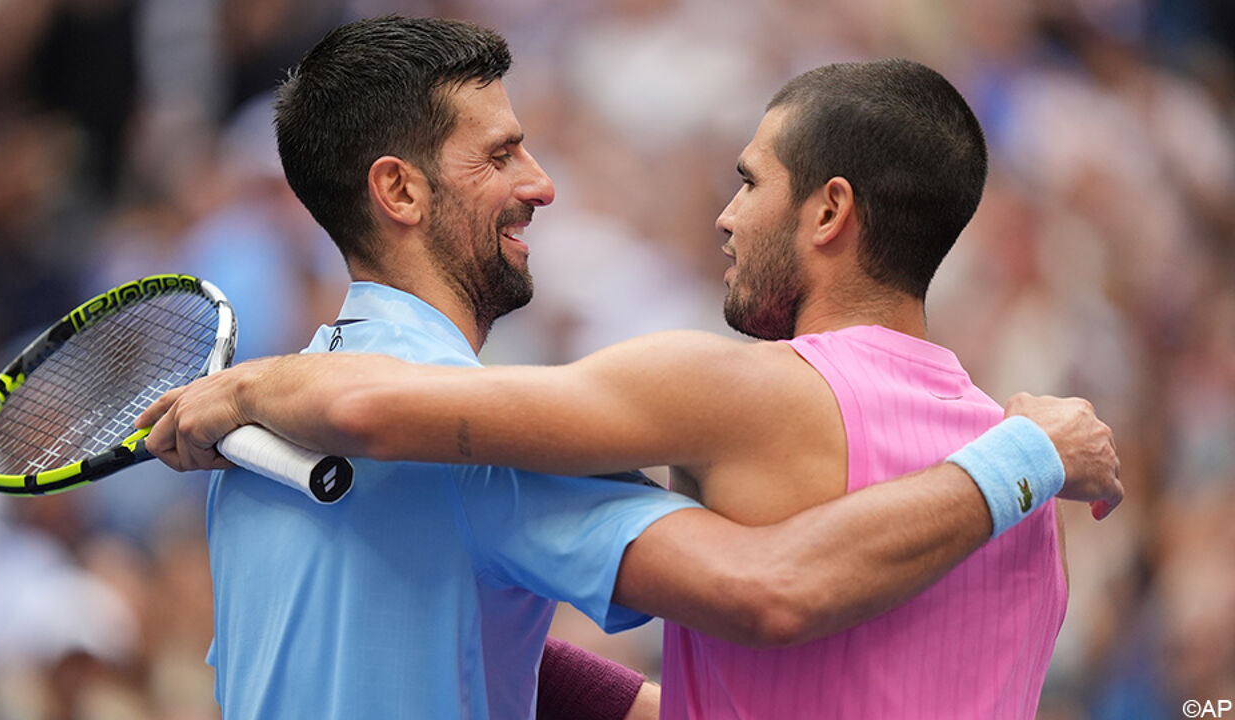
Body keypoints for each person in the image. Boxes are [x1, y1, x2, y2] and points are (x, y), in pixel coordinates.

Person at [139, 17, 1123, 719]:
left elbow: (767, 597)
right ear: (396, 189)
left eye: (746, 183)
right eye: (503, 155)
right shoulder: (1031, 504)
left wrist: (247, 385)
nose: (542, 184)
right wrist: (1022, 455)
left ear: (827, 213)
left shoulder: (262, 442)